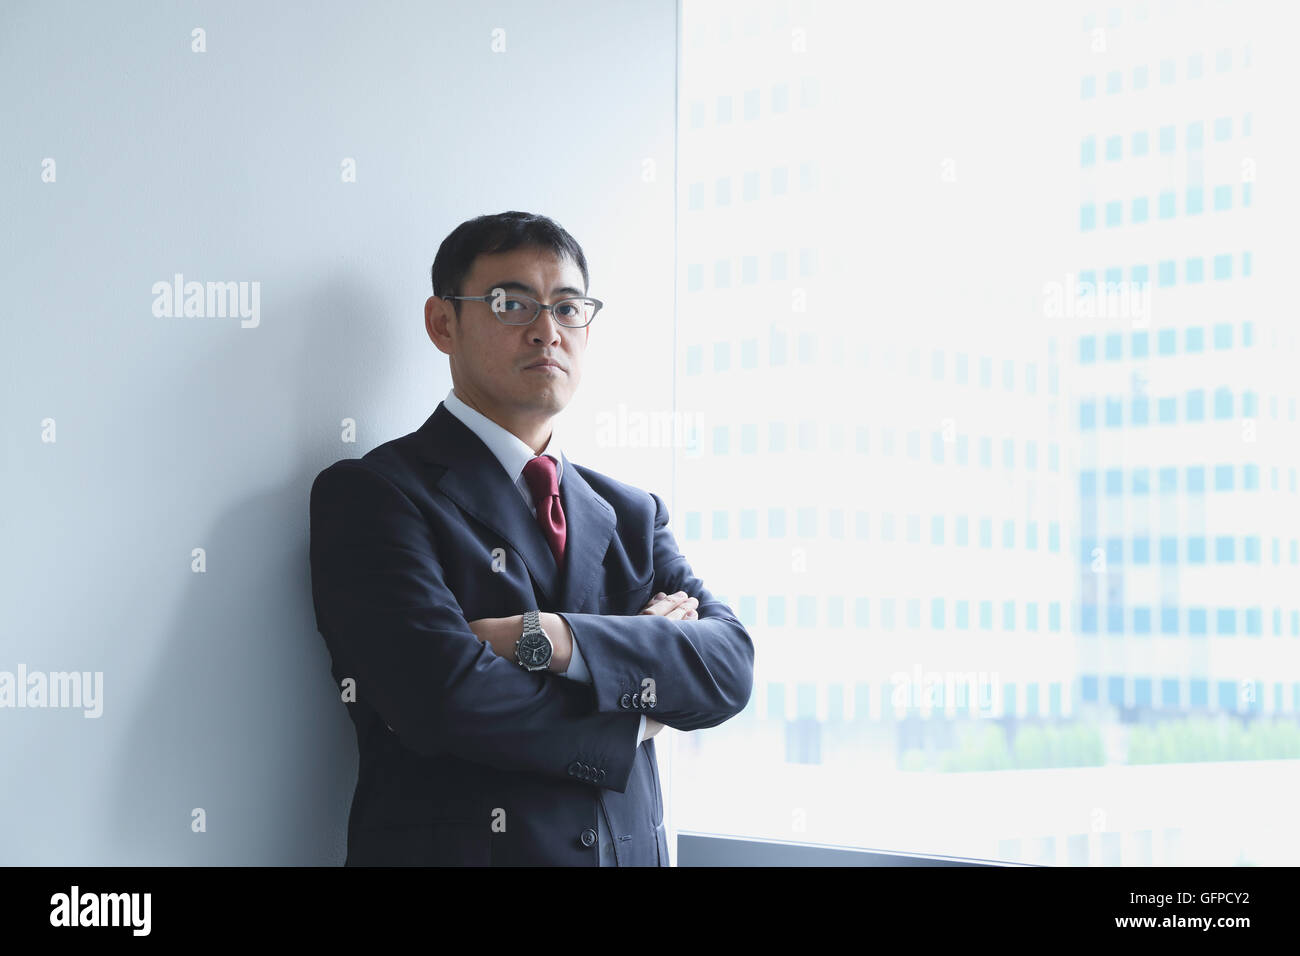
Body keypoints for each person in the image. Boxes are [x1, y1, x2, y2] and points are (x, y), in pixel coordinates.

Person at [308, 211, 755, 865]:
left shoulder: (631, 513)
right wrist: (645, 709)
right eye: (509, 303)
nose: (547, 331)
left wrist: (545, 638)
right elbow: (447, 703)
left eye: (568, 308)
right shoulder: (375, 495)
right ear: (442, 323)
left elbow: (728, 667)